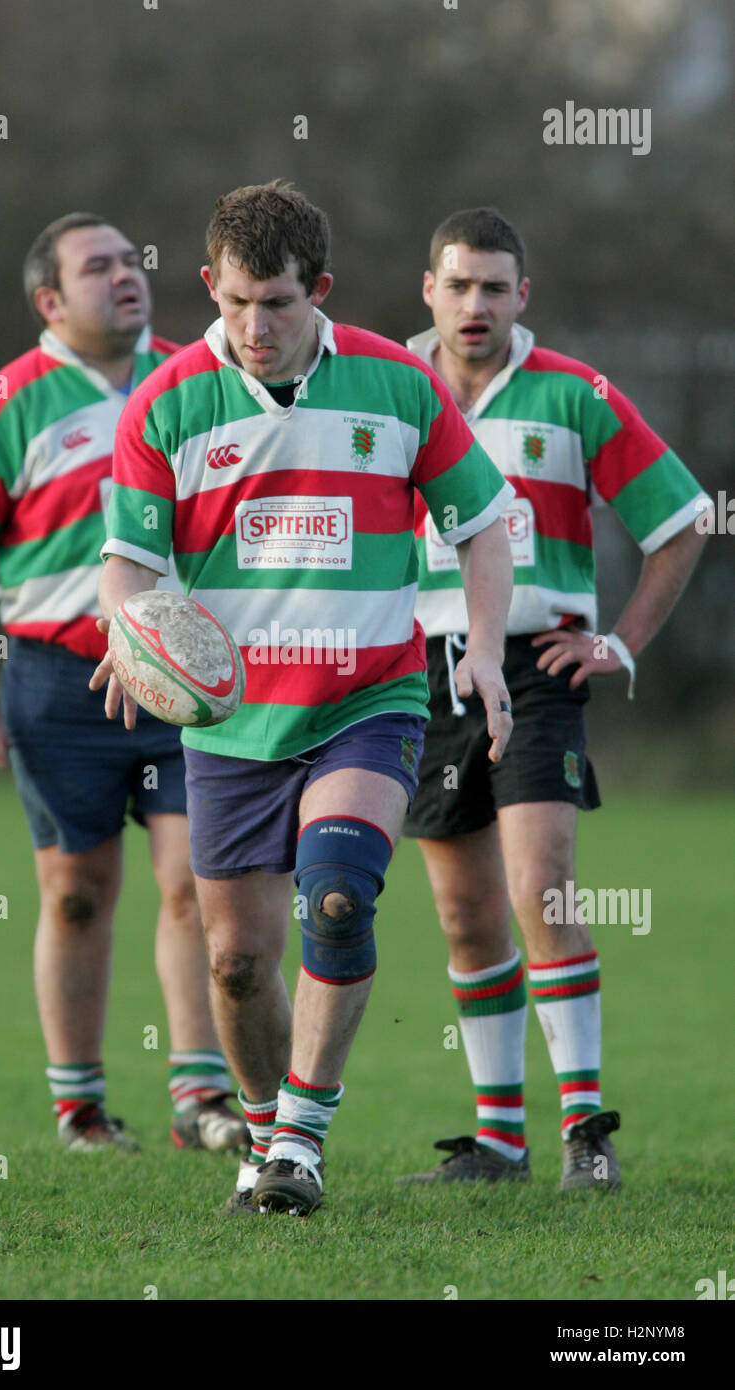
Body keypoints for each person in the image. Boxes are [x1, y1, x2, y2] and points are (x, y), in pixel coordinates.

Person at [93, 180, 515, 1216]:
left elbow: (483, 527)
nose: (253, 327)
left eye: (276, 303)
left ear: (317, 290)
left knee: (335, 894)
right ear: (209, 285)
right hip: (229, 723)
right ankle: (261, 1123)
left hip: (366, 700)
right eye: (235, 302)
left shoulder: (395, 385)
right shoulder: (167, 404)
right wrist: (129, 629)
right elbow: (127, 564)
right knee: (235, 962)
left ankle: (302, 1142)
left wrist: (490, 653)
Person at [0, 212, 246, 1154]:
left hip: (179, 677)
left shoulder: (198, 376)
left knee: (197, 881)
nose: (126, 275)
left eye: (131, 259)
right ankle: (82, 1109)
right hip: (58, 679)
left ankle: (202, 1100)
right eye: (96, 267)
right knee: (75, 892)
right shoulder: (11, 400)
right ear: (50, 300)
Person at [398, 208, 709, 1190]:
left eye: (494, 287)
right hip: (424, 668)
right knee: (464, 913)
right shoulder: (386, 388)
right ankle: (498, 1142)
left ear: (520, 295)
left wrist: (616, 639)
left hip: (536, 666)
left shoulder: (576, 396)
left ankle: (583, 1126)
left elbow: (683, 517)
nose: (475, 304)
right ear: (428, 290)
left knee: (542, 886)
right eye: (458, 285)